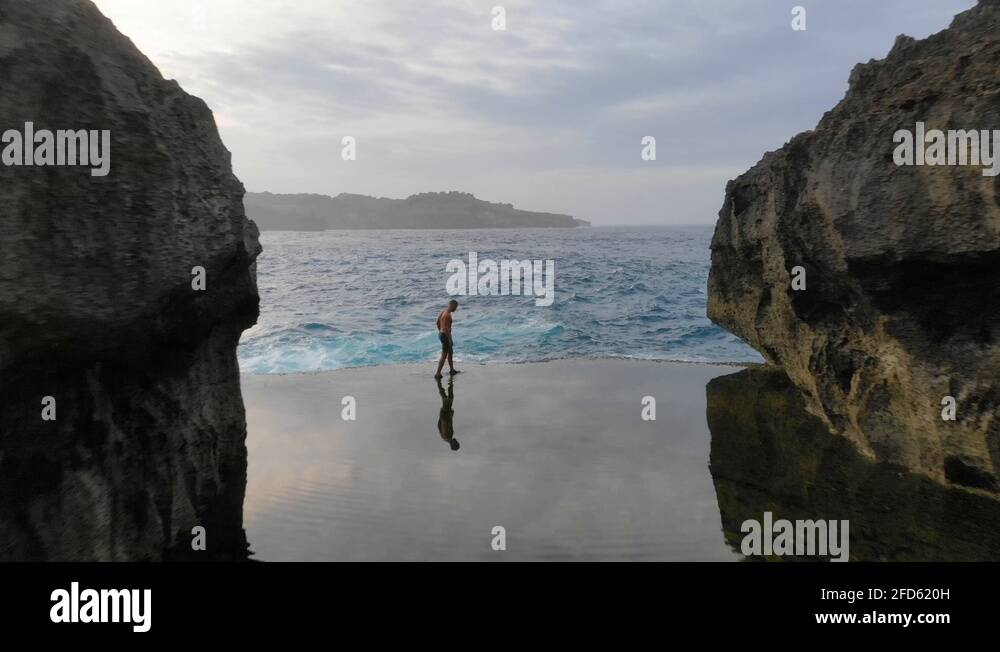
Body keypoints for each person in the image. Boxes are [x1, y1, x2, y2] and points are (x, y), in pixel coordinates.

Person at [434, 299, 461, 379]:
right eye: (455, 307)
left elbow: (437, 322)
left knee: (450, 352)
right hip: (445, 336)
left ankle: (452, 370)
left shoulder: (443, 312)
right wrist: (450, 340)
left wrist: (440, 331)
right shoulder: (447, 315)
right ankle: (438, 373)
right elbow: (447, 329)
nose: (455, 309)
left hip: (441, 334)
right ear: (452, 305)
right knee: (444, 354)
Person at [436, 376, 459, 451]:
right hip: (445, 414)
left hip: (446, 414)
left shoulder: (447, 436)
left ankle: (439, 381)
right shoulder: (445, 438)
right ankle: (449, 383)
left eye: (456, 442)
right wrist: (443, 416)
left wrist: (448, 415)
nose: (456, 440)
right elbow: (439, 426)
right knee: (449, 397)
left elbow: (446, 424)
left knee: (446, 398)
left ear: (453, 444)